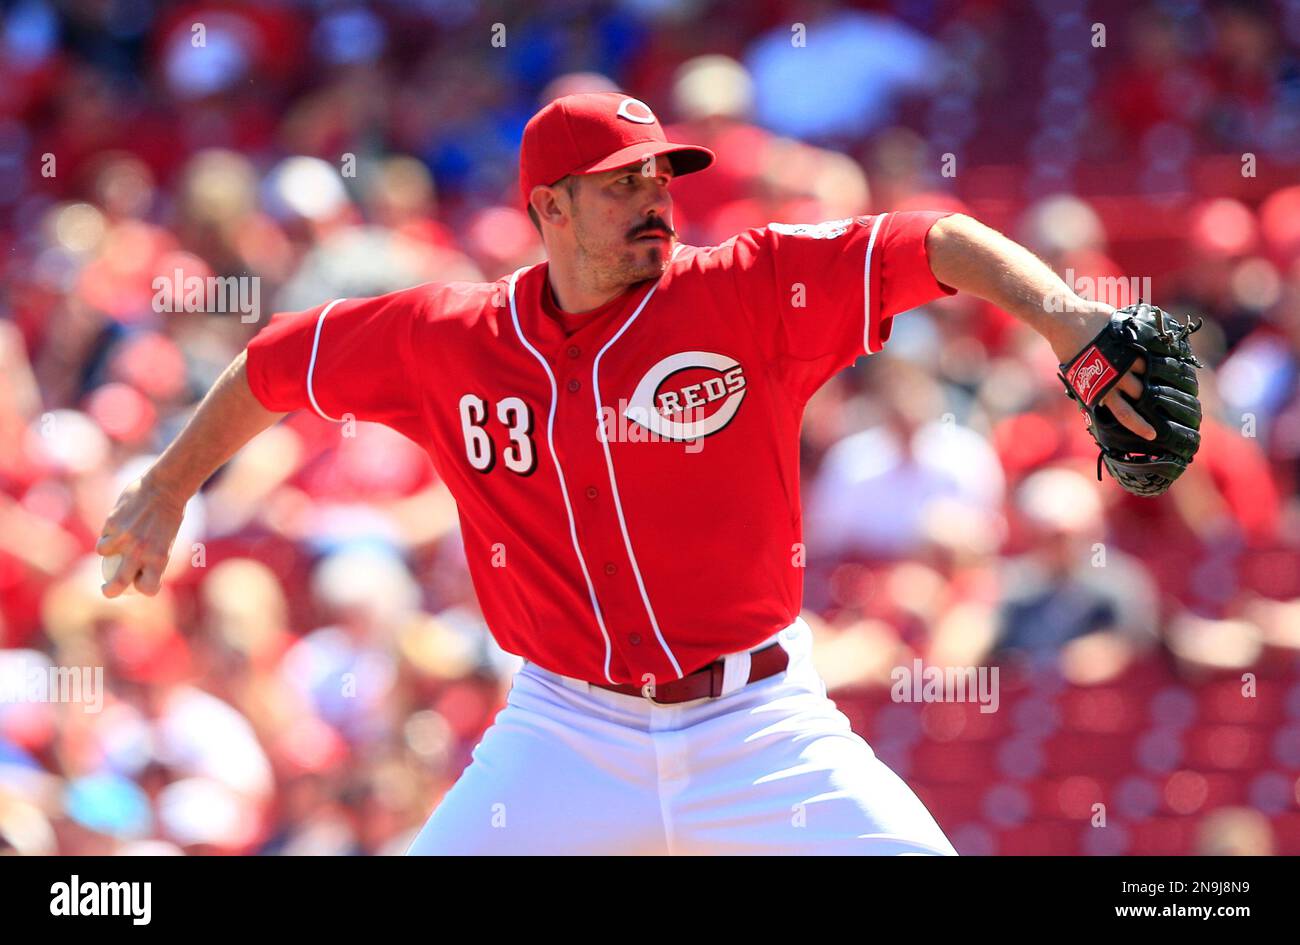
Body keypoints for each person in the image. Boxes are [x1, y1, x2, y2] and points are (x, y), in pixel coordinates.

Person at [97, 92, 1157, 855]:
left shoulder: (746, 290)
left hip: (757, 722)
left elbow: (936, 243)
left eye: (661, 179)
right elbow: (277, 365)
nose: (656, 201)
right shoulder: (445, 336)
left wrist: (1078, 327)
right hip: (567, 729)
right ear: (548, 210)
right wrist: (165, 486)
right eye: (621, 187)